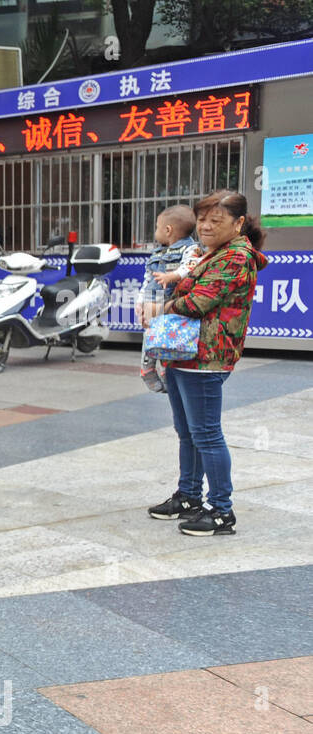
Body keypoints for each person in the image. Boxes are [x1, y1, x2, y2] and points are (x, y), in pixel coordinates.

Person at [146, 189, 268, 537]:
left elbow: (199, 301)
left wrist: (159, 309)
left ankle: (221, 511)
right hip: (183, 352)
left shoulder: (237, 256)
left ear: (238, 223)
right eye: (202, 220)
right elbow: (185, 285)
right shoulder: (209, 252)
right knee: (188, 432)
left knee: (207, 434)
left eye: (217, 220)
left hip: (208, 356)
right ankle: (189, 496)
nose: (206, 227)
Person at [138, 205, 204, 393]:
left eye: (157, 227)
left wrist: (173, 276)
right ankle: (147, 367)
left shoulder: (191, 248)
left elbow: (190, 266)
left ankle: (166, 370)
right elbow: (148, 279)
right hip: (154, 298)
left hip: (173, 300)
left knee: (169, 337)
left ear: (168, 230)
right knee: (151, 333)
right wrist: (140, 301)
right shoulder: (156, 253)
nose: (155, 232)